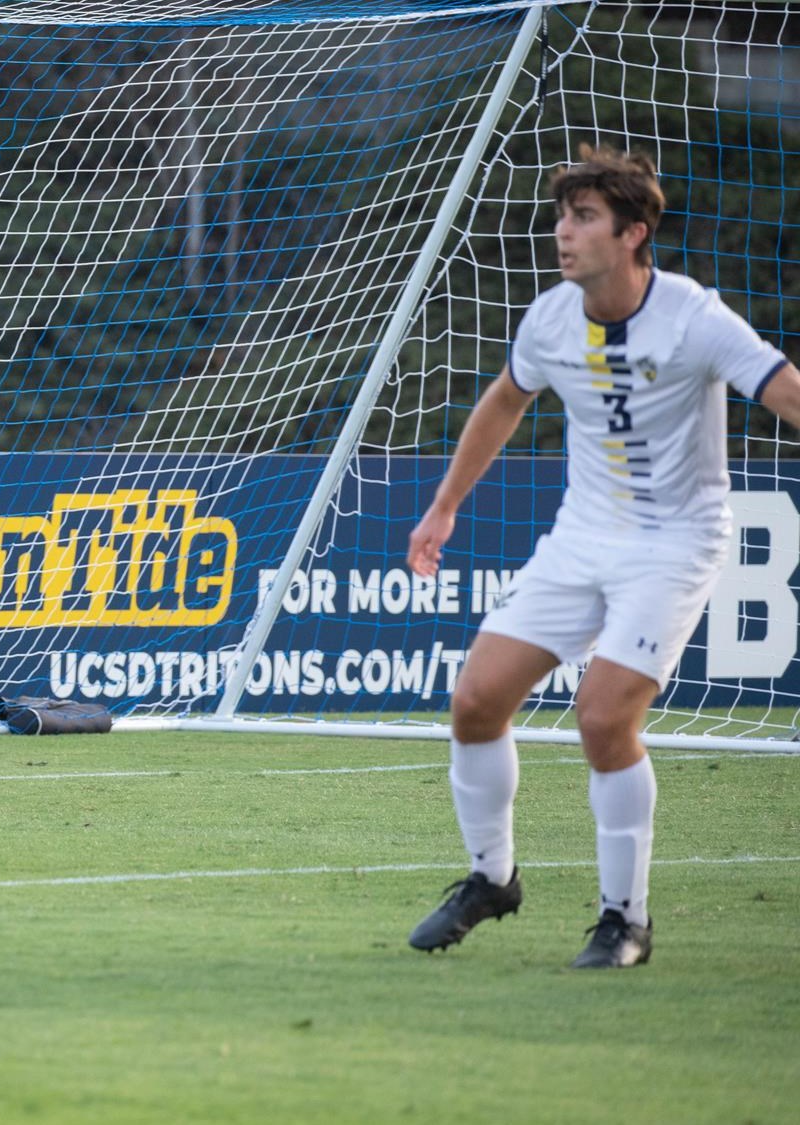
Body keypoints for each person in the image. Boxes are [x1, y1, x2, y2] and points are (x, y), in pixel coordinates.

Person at [405, 145, 800, 968]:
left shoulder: (693, 315)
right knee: (476, 700)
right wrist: (443, 506)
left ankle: (626, 918)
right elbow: (504, 402)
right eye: (562, 215)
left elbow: (784, 389)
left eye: (584, 217)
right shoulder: (551, 317)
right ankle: (492, 877)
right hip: (580, 536)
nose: (563, 232)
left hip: (675, 543)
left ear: (633, 233)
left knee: (602, 716)